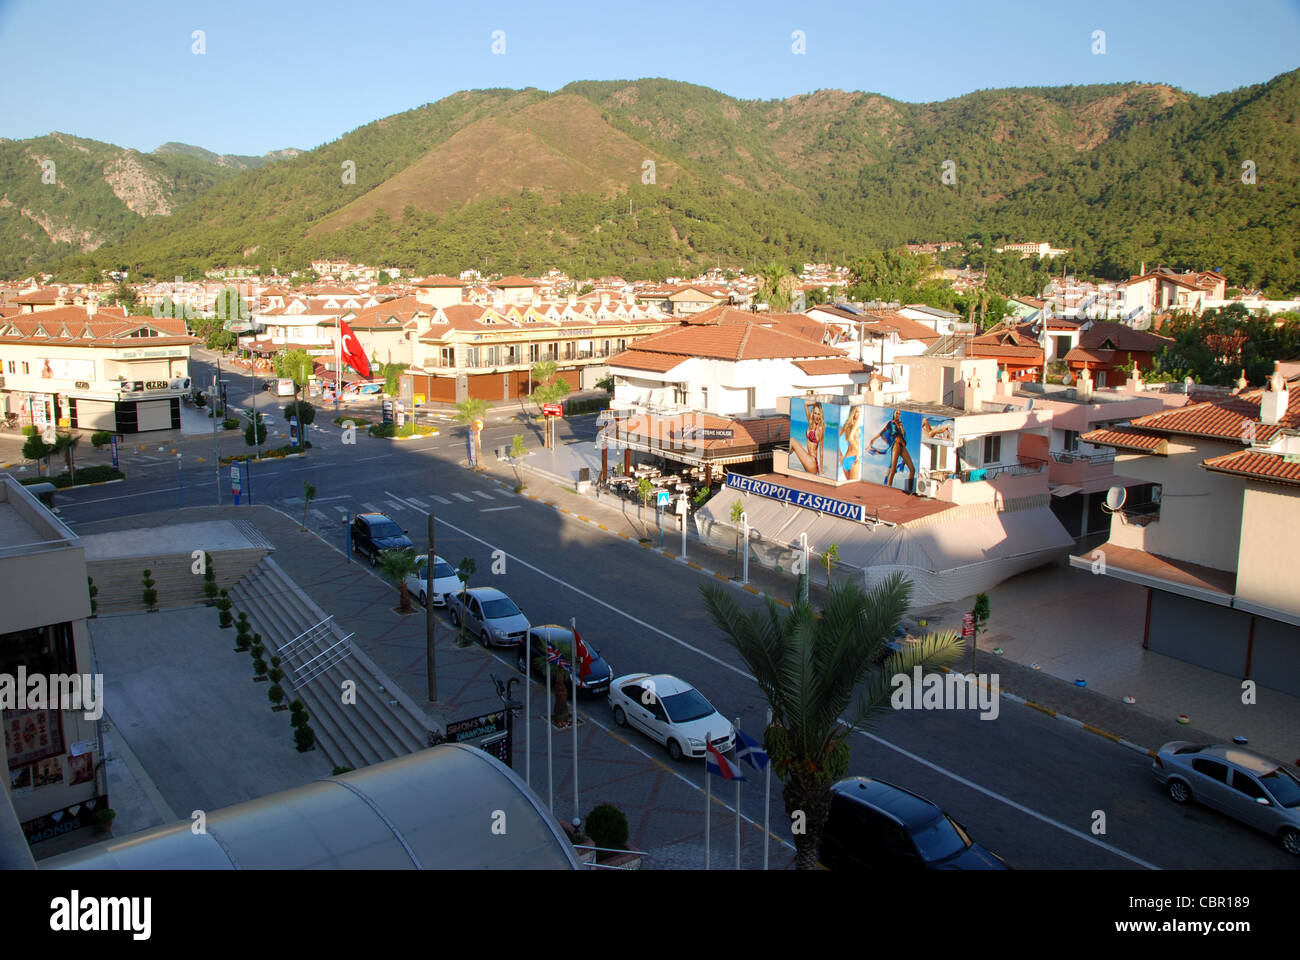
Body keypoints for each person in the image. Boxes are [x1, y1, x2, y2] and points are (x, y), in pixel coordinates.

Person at [869, 409, 915, 490]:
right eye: (897, 413)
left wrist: (901, 427)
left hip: (902, 446)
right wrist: (873, 439)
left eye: (899, 413)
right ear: (894, 414)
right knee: (893, 469)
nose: (898, 415)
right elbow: (882, 432)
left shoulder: (900, 424)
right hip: (896, 445)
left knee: (912, 469)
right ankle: (889, 488)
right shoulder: (891, 423)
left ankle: (909, 490)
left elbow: (904, 434)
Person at [789, 400, 825, 474]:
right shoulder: (810, 423)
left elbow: (821, 450)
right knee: (791, 448)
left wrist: (821, 470)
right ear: (813, 414)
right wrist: (817, 402)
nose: (817, 416)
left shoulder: (820, 428)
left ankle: (783, 459)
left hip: (812, 462)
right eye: (815, 413)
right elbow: (806, 404)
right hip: (808, 460)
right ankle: (785, 457)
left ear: (821, 415)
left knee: (792, 440)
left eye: (818, 414)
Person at [839, 404, 864, 480]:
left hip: (845, 460)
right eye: (857, 412)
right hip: (854, 459)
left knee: (848, 487)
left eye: (860, 412)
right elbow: (850, 438)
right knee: (853, 488)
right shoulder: (857, 423)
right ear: (853, 413)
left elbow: (836, 438)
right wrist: (858, 452)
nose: (859, 414)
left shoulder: (846, 424)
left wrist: (840, 456)